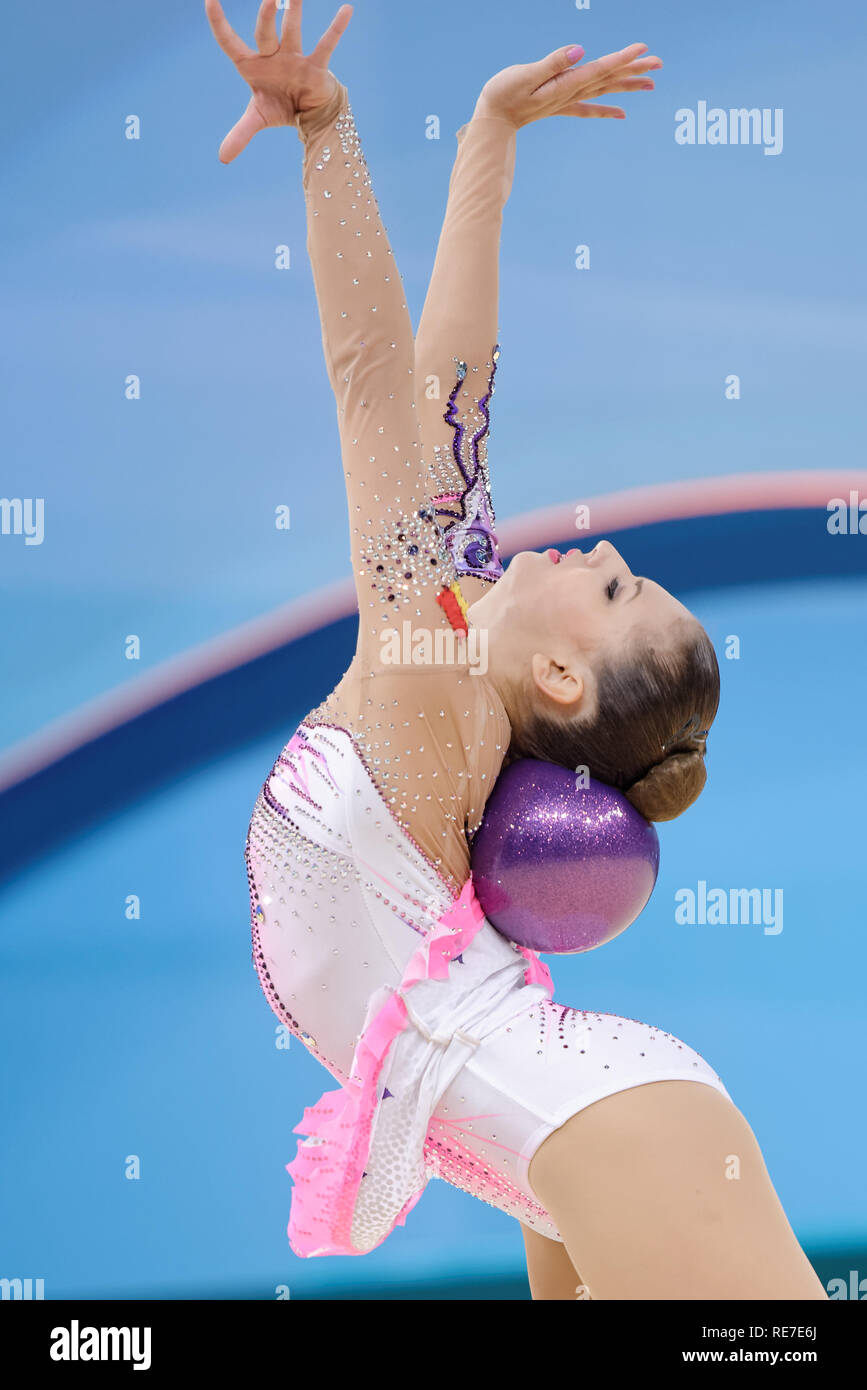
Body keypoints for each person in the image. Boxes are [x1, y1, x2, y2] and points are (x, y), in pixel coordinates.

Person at [206, 0, 826, 1299]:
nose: (588, 546)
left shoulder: (429, 675)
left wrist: (328, 131)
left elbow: (377, 379)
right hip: (569, 1136)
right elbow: (453, 389)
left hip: (606, 1119)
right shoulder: (451, 667)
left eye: (611, 586)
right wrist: (490, 134)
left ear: (562, 679)